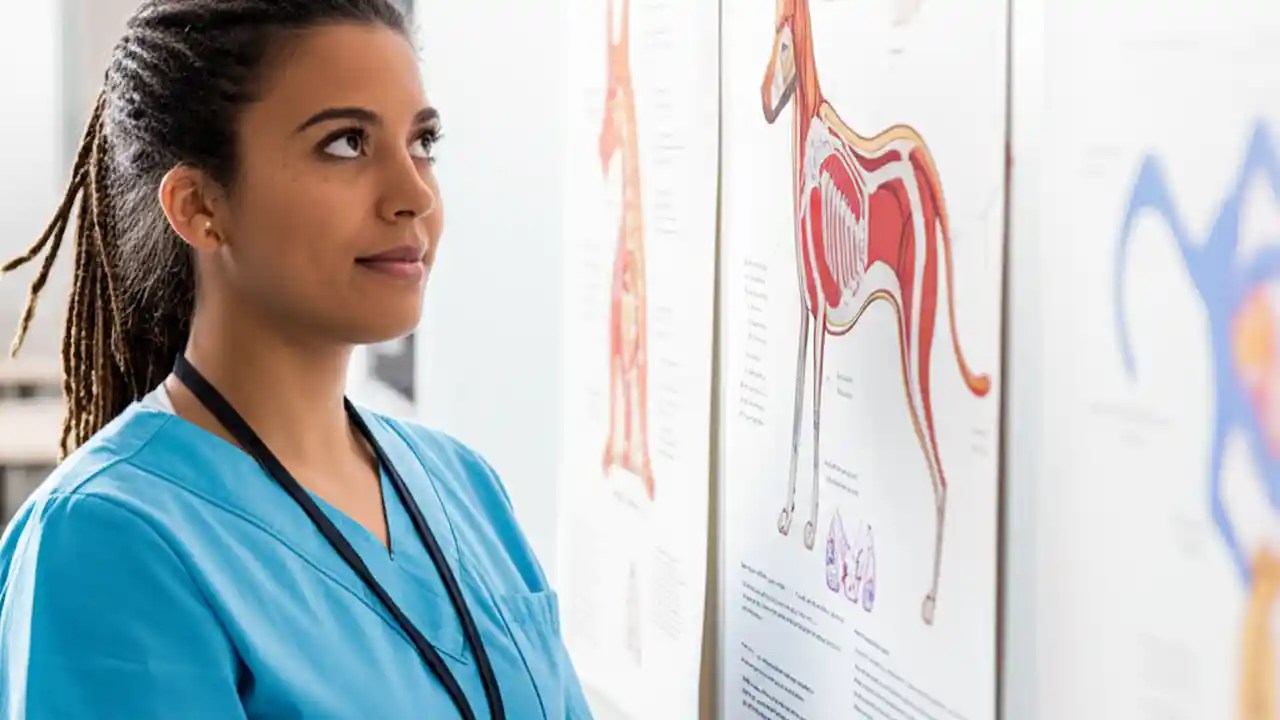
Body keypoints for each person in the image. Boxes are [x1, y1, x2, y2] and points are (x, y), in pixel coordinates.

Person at [0, 1, 591, 718]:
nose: (414, 194)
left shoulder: (465, 487)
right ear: (199, 205)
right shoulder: (106, 539)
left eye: (422, 141)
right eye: (345, 144)